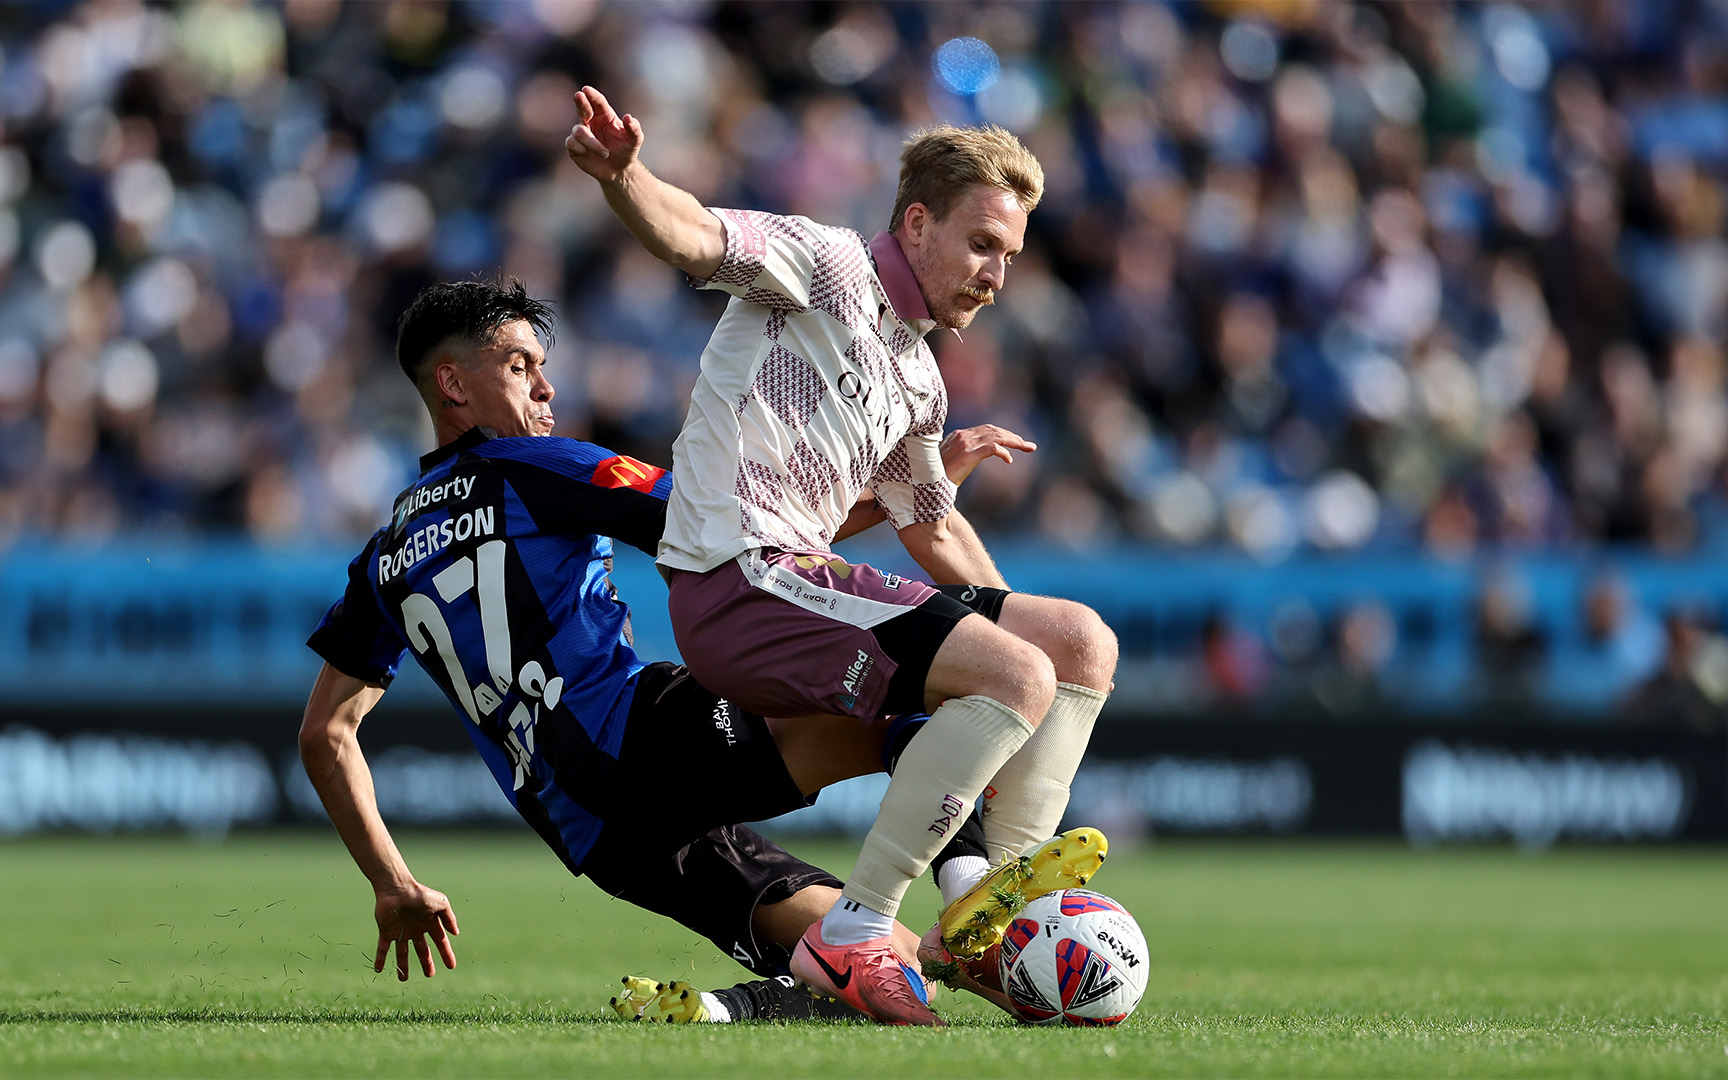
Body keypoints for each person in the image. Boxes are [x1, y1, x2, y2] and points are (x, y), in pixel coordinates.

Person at [298, 278, 1083, 1024]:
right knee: (918, 702)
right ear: (453, 386)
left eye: (543, 366)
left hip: (592, 831)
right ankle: (970, 882)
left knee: (883, 977)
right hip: (642, 739)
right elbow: (731, 528)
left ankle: (721, 1009)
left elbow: (325, 734)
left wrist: (392, 883)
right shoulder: (538, 469)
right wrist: (916, 487)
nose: (545, 388)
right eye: (519, 365)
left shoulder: (386, 553)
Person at [568, 85, 1119, 1024]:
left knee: (1077, 643)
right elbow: (695, 237)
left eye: (1011, 257)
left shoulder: (918, 375)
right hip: (738, 580)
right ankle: (858, 929)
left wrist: (1018, 650)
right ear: (916, 221)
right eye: (982, 244)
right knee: (1014, 675)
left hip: (798, 583)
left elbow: (934, 530)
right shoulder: (825, 266)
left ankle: (1012, 907)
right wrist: (626, 177)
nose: (996, 275)